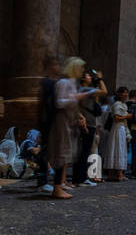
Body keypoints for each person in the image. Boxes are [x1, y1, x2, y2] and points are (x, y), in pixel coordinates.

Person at [51, 57, 101, 199]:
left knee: (67, 153)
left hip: (69, 120)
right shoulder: (64, 82)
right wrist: (77, 97)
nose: (82, 71)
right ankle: (57, 187)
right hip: (62, 120)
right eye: (80, 68)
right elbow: (59, 102)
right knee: (62, 153)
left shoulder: (70, 83)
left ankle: (60, 184)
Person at [74, 68, 106, 186]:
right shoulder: (85, 89)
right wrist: (100, 78)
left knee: (84, 152)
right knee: (84, 152)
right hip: (88, 124)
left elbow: (96, 102)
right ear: (83, 78)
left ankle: (81, 178)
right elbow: (104, 91)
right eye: (88, 75)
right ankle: (80, 179)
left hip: (89, 123)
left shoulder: (84, 90)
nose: (90, 77)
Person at [35, 55, 61, 191]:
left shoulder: (55, 82)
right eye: (56, 64)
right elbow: (42, 103)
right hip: (48, 121)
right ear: (50, 66)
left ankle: (54, 181)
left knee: (52, 151)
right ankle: (42, 181)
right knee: (45, 151)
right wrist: (41, 121)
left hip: (54, 121)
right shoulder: (46, 82)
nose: (58, 67)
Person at [101, 87, 130, 181]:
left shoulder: (123, 104)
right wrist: (127, 116)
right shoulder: (117, 104)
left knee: (118, 149)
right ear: (119, 94)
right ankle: (117, 174)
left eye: (127, 93)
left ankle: (115, 174)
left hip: (121, 128)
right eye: (124, 93)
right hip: (117, 128)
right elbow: (116, 118)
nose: (126, 95)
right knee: (117, 149)